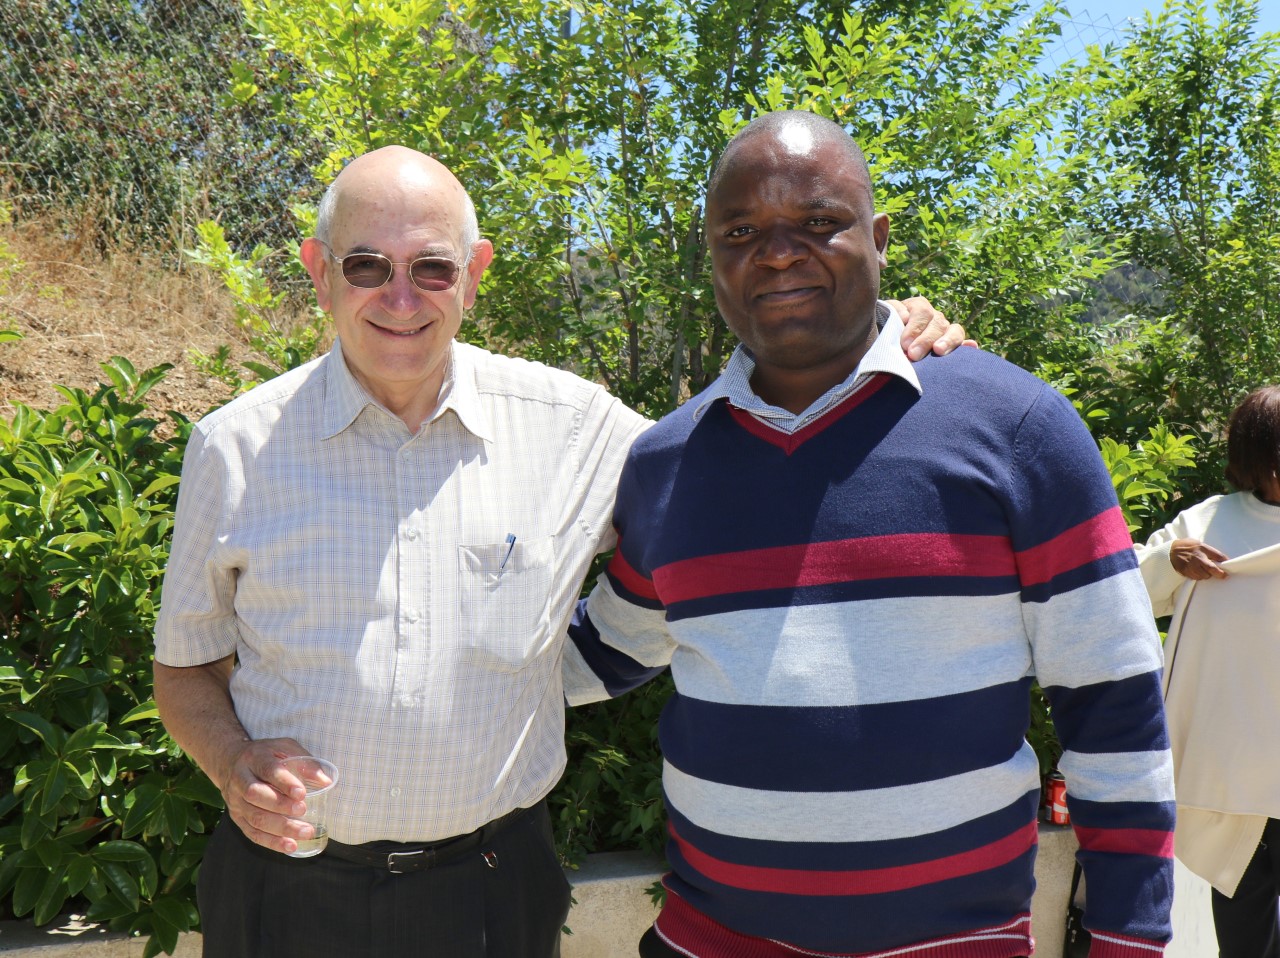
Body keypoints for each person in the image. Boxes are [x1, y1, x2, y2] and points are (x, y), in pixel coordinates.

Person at [151, 144, 966, 958]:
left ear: (474, 273)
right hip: (285, 891)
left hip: (494, 888)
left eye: (431, 268)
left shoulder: (572, 426)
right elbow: (185, 666)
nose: (401, 298)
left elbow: (740, 477)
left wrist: (865, 333)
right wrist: (232, 762)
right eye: (368, 266)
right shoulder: (233, 448)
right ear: (319, 272)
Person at [563, 111, 1176, 958]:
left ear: (879, 238)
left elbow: (1114, 702)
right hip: (710, 941)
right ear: (712, 257)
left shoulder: (1018, 427)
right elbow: (604, 653)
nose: (777, 253)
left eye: (818, 223)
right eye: (741, 231)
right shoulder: (668, 461)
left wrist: (1129, 939)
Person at [1136, 385, 1280, 958]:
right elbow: (1131, 594)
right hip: (1234, 774)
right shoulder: (1207, 524)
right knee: (1246, 933)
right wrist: (1170, 560)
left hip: (1244, 767)